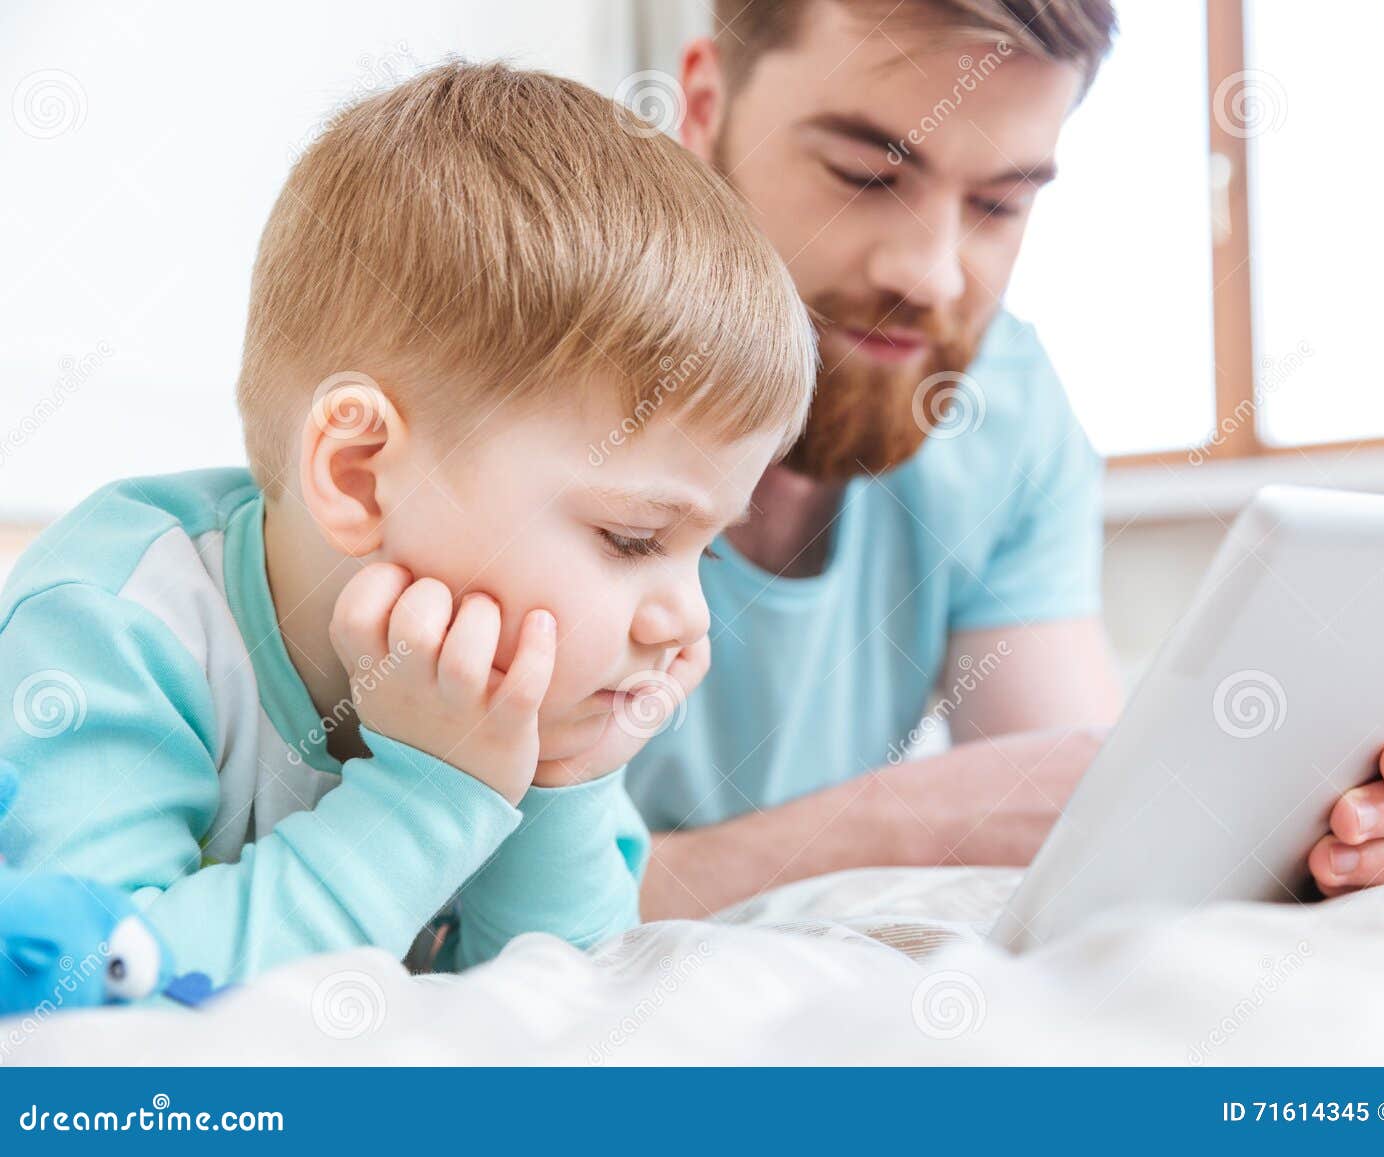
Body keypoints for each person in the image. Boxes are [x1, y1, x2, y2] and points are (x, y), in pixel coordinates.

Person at [631, 0, 1384, 918]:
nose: (935, 273)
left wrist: (1372, 821)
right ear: (705, 108)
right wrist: (897, 821)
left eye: (1000, 203)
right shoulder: (526, 364)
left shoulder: (1005, 408)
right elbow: (495, 892)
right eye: (867, 174)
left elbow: (1064, 810)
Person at [0, 63, 816, 983]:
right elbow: (94, 992)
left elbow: (556, 1005)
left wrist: (557, 783)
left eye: (705, 550)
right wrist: (427, 795)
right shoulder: (117, 627)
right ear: (359, 476)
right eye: (633, 539)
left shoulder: (516, 701)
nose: (688, 621)